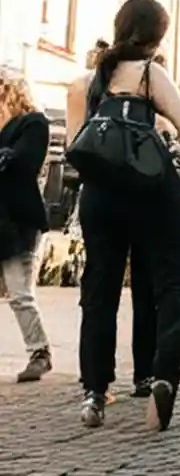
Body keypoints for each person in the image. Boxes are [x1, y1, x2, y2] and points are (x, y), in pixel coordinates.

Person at [67, 0, 180, 431]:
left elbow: (74, 148)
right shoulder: (150, 73)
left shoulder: (86, 82)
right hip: (149, 190)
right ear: (157, 37)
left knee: (100, 287)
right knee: (174, 278)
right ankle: (162, 374)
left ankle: (94, 391)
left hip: (100, 195)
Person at [0, 66, 53, 383]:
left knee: (19, 291)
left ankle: (40, 352)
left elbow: (22, 161)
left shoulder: (33, 123)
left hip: (19, 222)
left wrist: (6, 156)